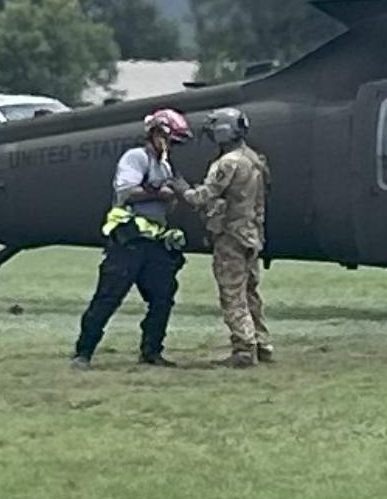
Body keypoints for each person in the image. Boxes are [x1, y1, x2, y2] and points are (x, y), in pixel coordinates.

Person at [72, 109, 191, 369]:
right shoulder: (136, 157)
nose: (172, 147)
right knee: (108, 297)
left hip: (154, 243)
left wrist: (171, 199)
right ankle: (84, 352)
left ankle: (151, 351)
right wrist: (161, 193)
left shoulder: (165, 165)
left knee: (163, 296)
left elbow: (164, 206)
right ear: (157, 134)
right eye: (171, 140)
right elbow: (128, 191)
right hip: (128, 242)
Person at [181, 107, 272, 369]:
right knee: (251, 291)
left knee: (232, 292)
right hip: (252, 235)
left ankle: (244, 347)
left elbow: (204, 196)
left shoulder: (228, 163)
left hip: (231, 235)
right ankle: (262, 342)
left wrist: (183, 189)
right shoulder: (254, 159)